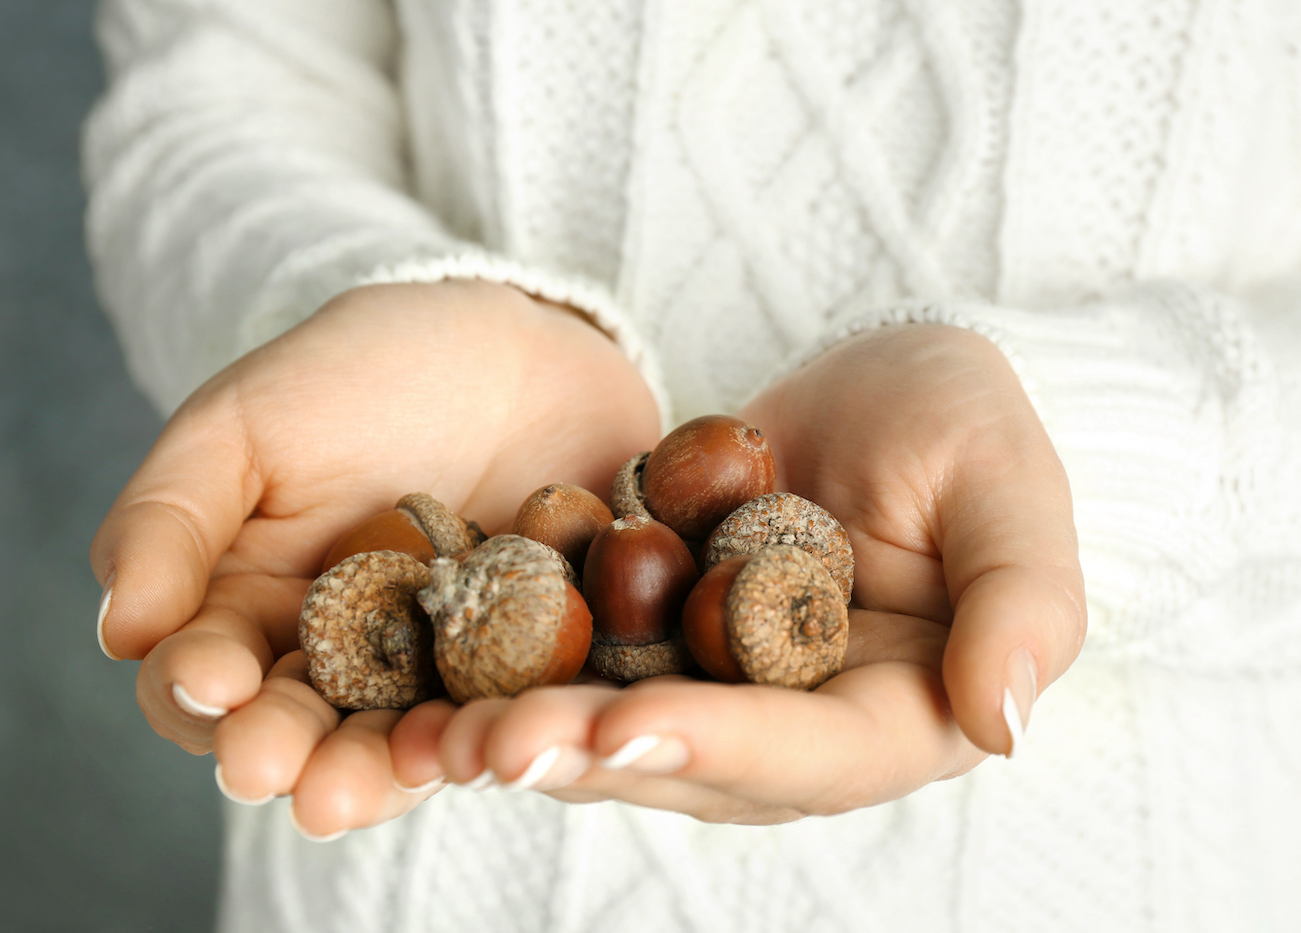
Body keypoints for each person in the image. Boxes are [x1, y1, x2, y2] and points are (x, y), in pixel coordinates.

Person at [84, 1, 1301, 930]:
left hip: (1126, 869)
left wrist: (1099, 457)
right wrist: (326, 300)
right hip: (415, 878)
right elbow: (212, 101)